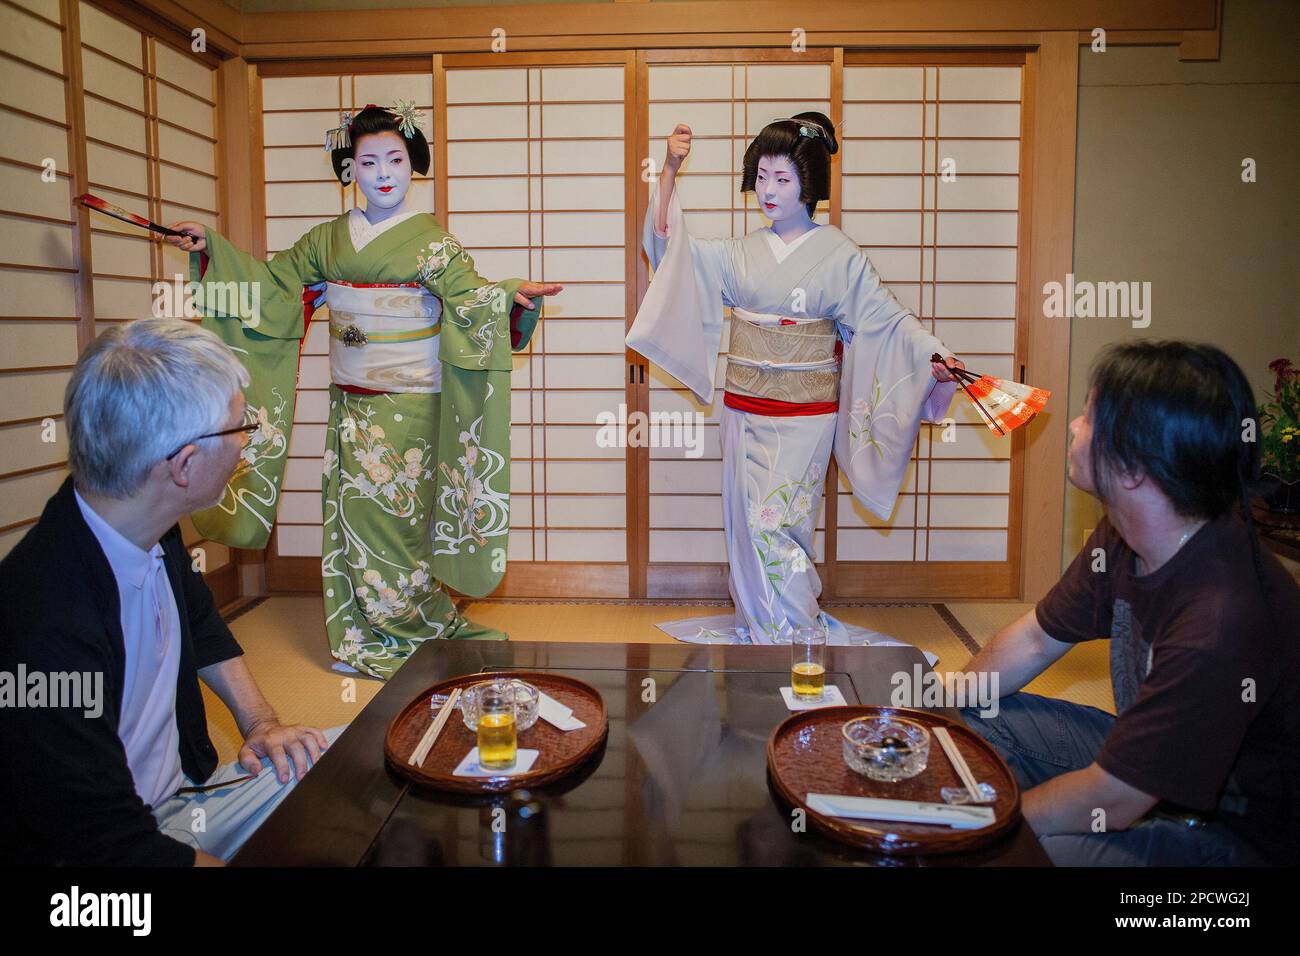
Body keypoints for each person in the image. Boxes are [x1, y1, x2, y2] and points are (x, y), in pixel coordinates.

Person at [167, 102, 562, 678]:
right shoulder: (326, 240)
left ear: (412, 167)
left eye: (395, 160)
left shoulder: (435, 245)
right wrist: (211, 247)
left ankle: (410, 626)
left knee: (399, 521)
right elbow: (273, 288)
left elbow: (472, 298)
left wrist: (507, 294)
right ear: (350, 169)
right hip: (350, 402)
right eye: (368, 161)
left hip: (412, 405)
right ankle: (361, 629)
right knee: (351, 514)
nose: (383, 173)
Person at [0, 319, 339, 866]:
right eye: (240, 427)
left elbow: (199, 625)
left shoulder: (143, 517)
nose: (248, 441)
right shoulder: (43, 618)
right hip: (97, 878)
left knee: (354, 758)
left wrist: (262, 726)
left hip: (181, 803)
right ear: (184, 464)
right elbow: (105, 846)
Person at [952, 340, 1299, 866]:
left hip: (1237, 833)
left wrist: (991, 830)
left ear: (1136, 465)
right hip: (1148, 771)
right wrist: (930, 709)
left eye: (1089, 417)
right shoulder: (1126, 532)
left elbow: (1112, 798)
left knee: (1038, 856)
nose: (1072, 425)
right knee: (966, 724)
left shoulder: (1222, 616)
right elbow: (1033, 638)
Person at [626, 113, 963, 645]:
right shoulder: (738, 252)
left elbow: (887, 319)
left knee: (776, 525)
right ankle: (763, 627)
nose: (768, 190)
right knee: (745, 524)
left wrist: (932, 358)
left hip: (805, 417)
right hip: (742, 410)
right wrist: (668, 169)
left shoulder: (840, 256)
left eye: (782, 179)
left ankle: (790, 631)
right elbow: (670, 251)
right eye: (761, 176)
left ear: (809, 185)